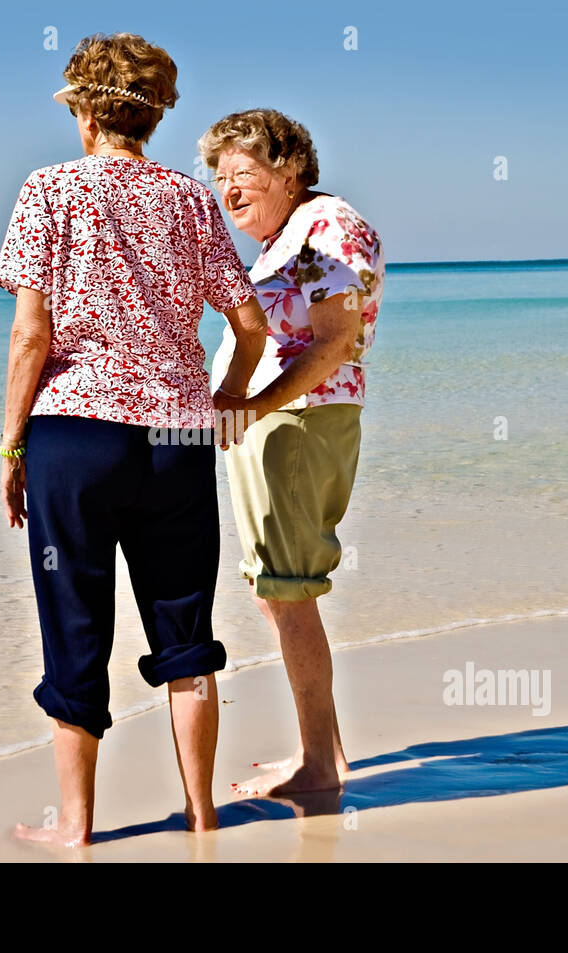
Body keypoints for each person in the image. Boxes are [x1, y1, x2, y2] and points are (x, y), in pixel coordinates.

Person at [0, 34, 268, 845]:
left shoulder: (49, 190)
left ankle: (76, 826)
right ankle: (204, 810)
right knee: (185, 630)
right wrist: (220, 400)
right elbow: (247, 326)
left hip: (75, 436)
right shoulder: (188, 198)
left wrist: (11, 449)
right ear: (151, 116)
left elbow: (29, 338)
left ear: (84, 113)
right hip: (176, 433)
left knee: (75, 622)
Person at [200, 109, 384, 796]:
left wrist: (253, 406)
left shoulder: (327, 225)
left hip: (301, 422)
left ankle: (316, 764)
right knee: (275, 589)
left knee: (288, 590)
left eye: (243, 174)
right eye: (220, 178)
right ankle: (324, 752)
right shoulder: (286, 238)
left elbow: (338, 340)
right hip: (280, 423)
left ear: (291, 169)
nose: (228, 190)